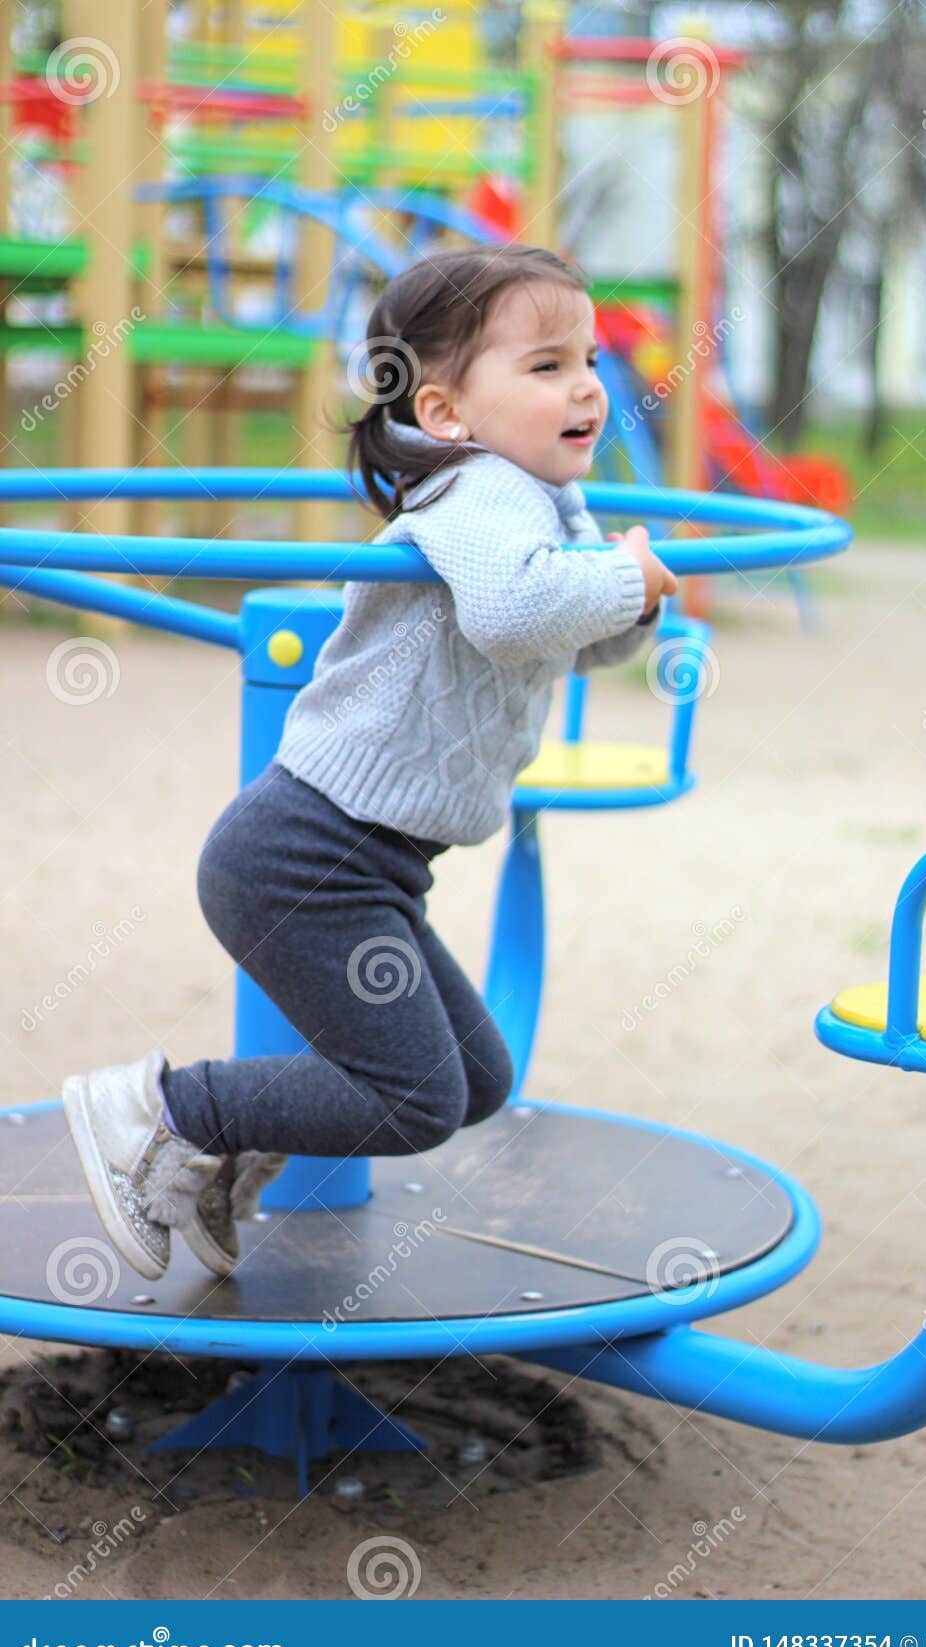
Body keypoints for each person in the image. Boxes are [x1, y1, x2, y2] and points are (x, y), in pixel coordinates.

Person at [60, 242, 678, 1283]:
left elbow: (572, 637)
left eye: (584, 359)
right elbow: (514, 608)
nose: (583, 385)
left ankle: (211, 1158)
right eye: (543, 365)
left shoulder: (543, 501)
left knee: (473, 1076)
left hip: (367, 866)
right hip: (306, 858)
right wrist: (617, 580)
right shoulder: (482, 494)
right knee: (417, 1094)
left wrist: (638, 592)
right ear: (444, 413)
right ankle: (163, 1110)